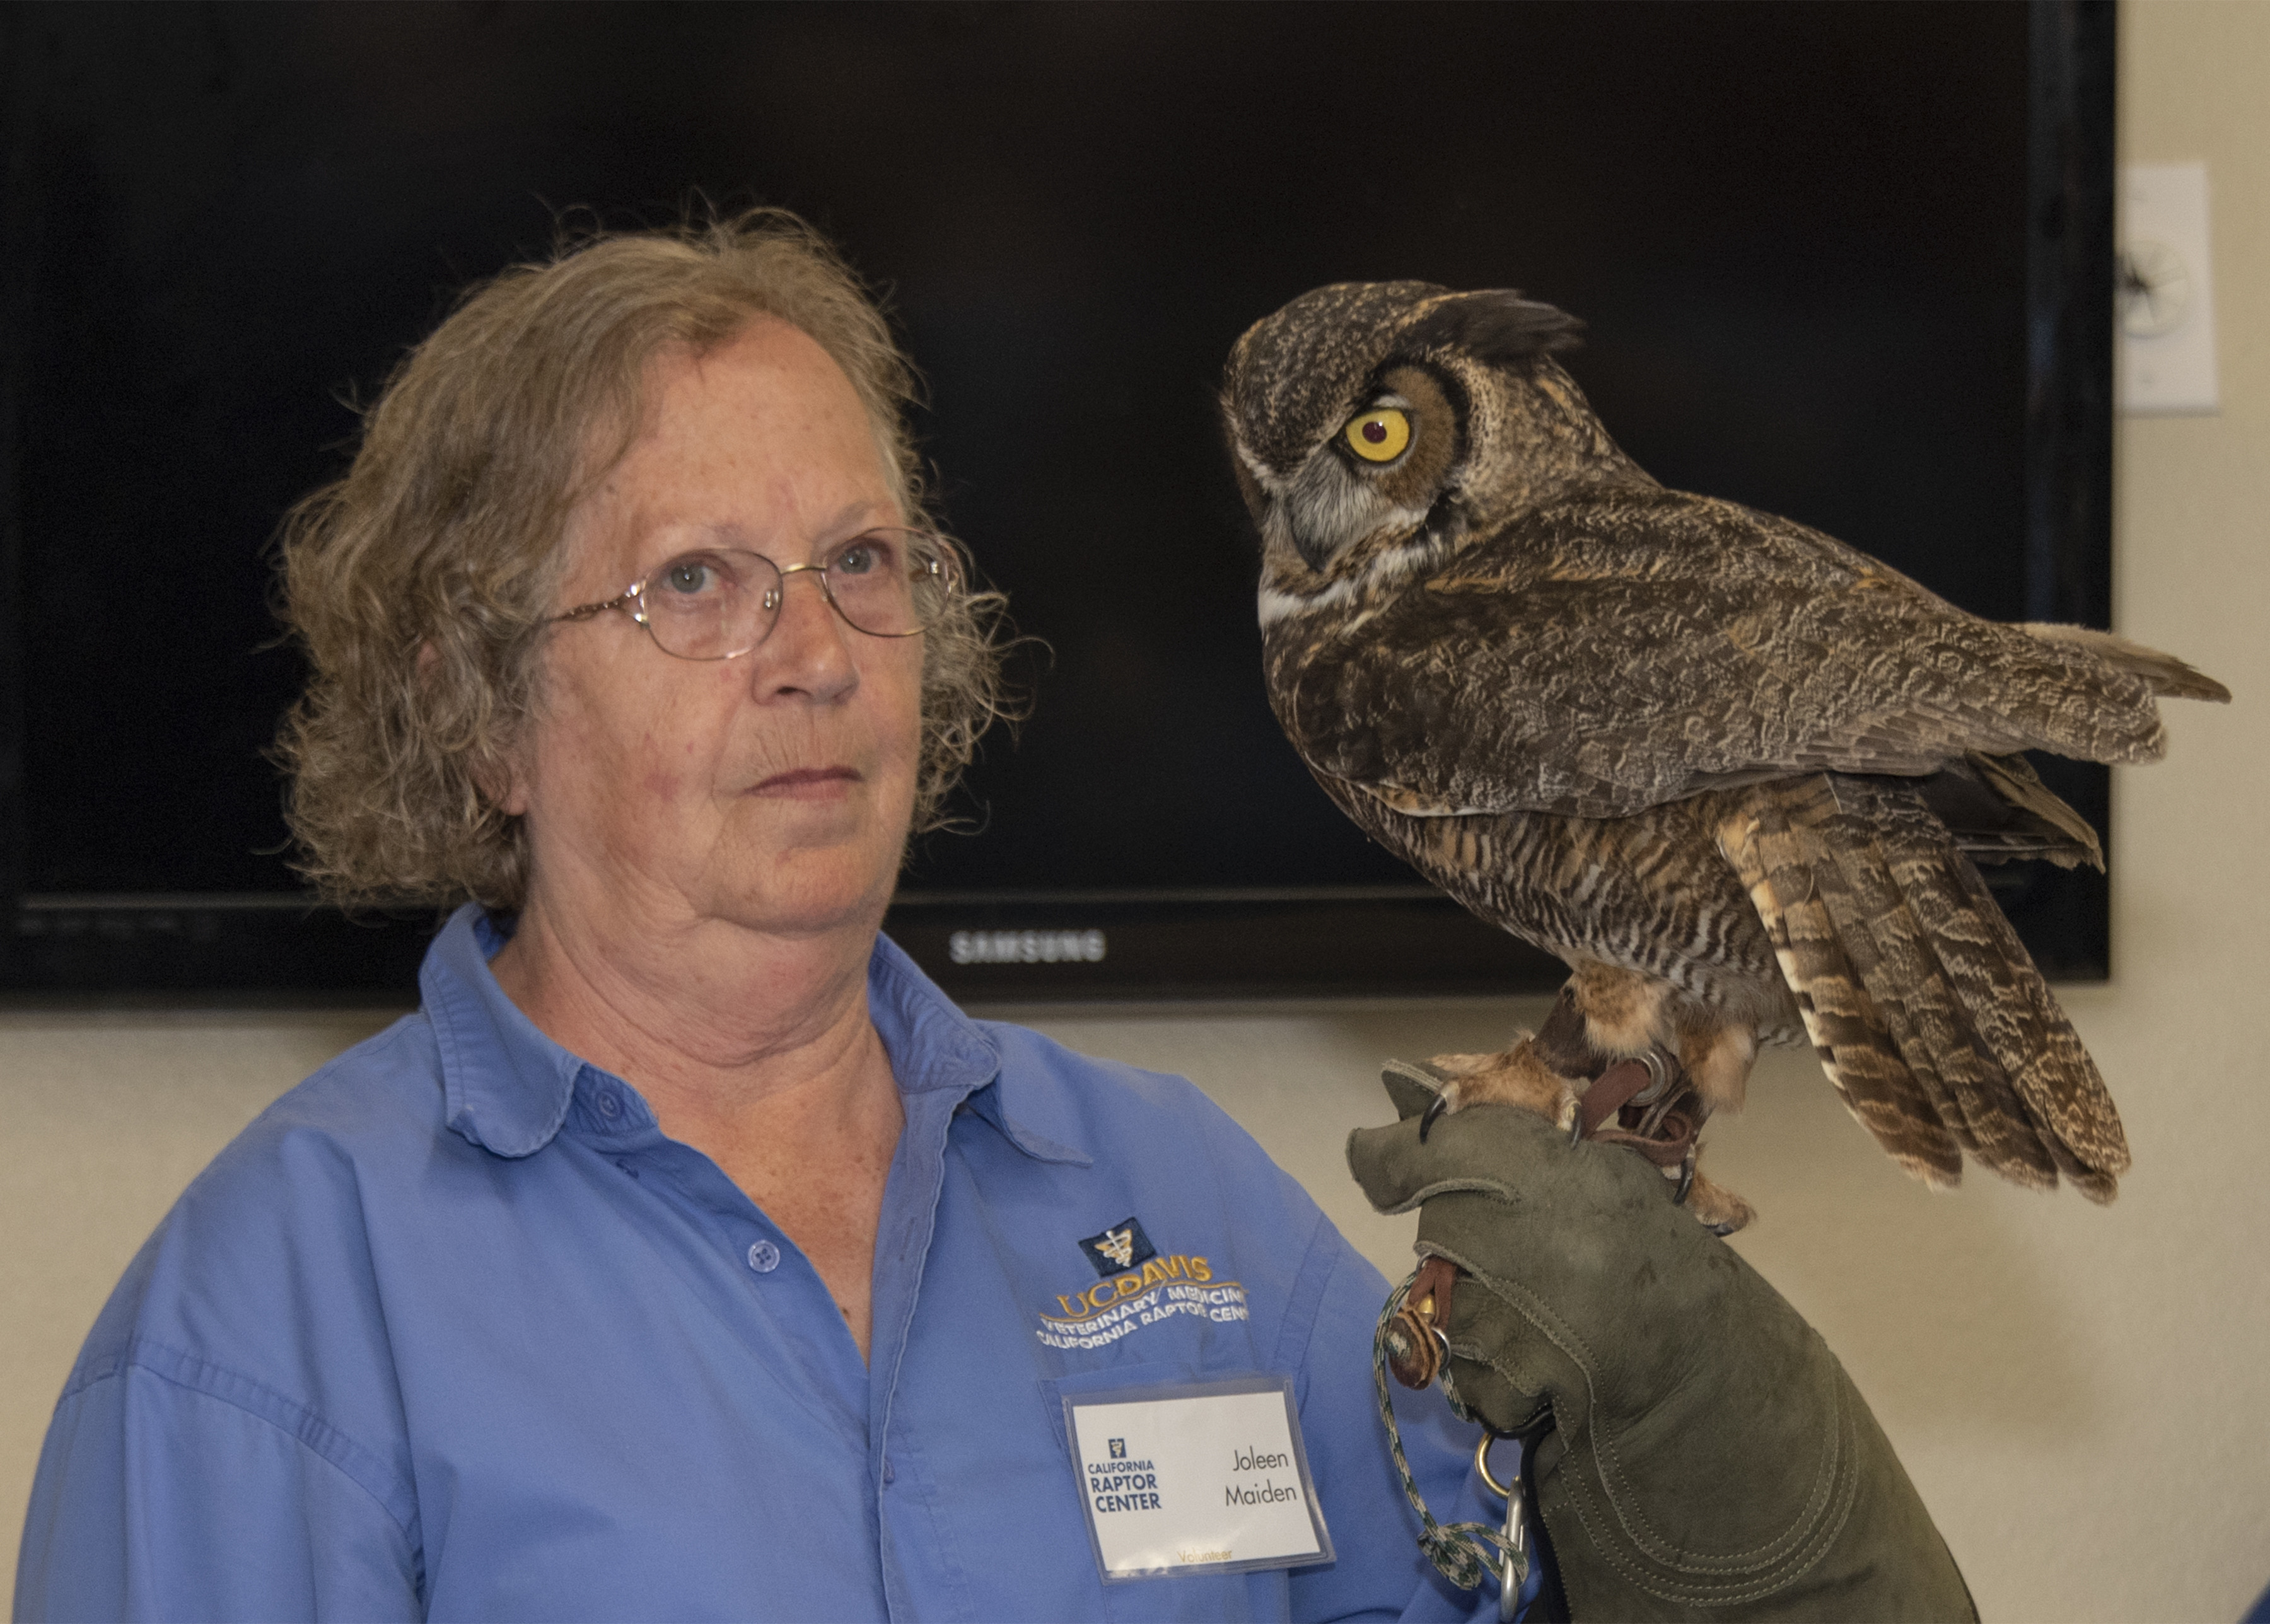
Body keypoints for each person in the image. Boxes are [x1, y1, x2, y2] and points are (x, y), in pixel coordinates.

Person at [13, 212, 1511, 1621]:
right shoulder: (270, 1311)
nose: (818, 652)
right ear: (478, 713)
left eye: (859, 561)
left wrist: (1627, 1443)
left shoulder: (1179, 1195)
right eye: (694, 582)